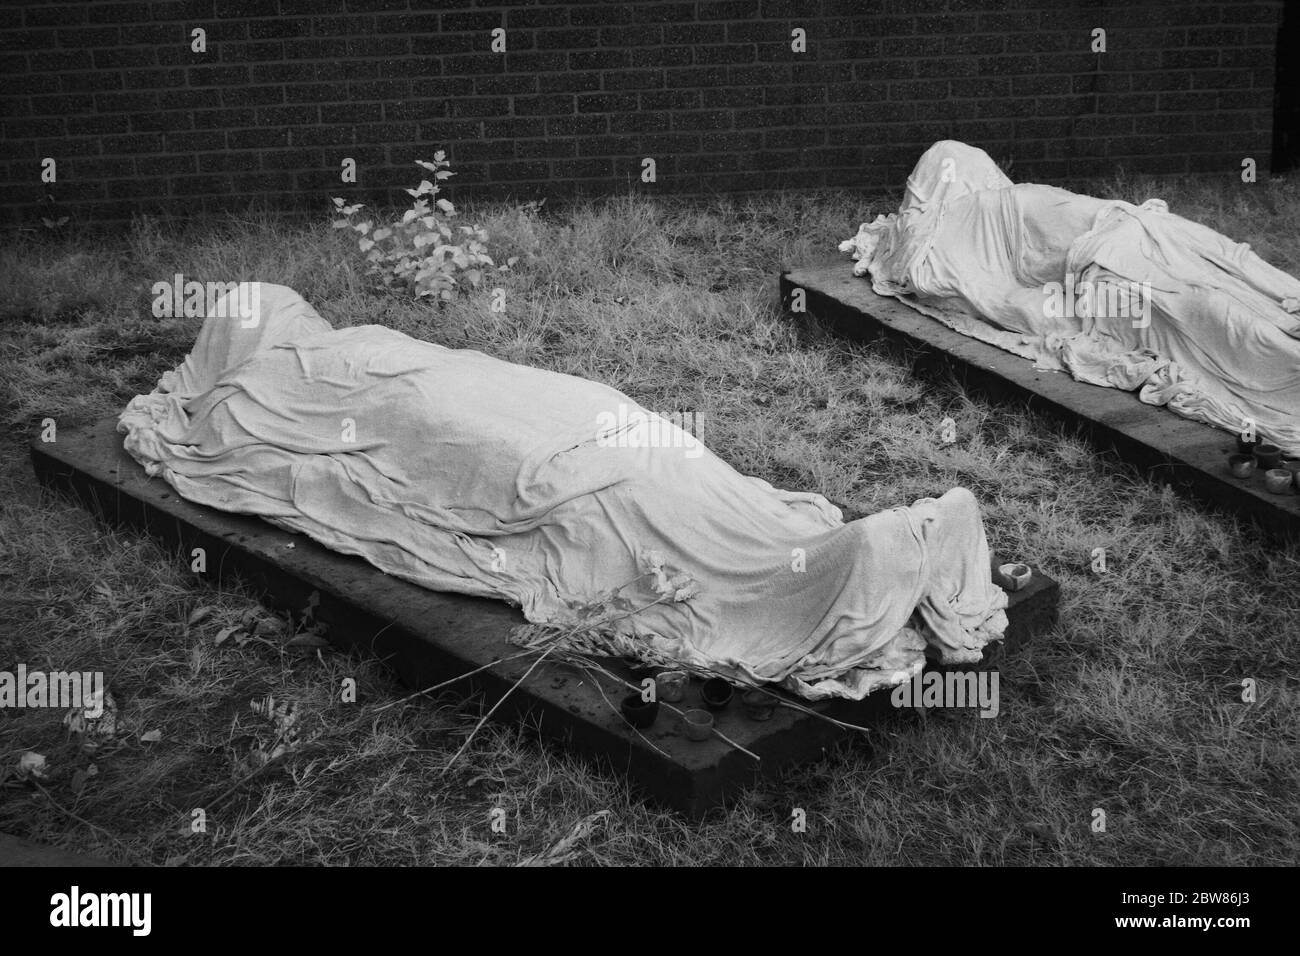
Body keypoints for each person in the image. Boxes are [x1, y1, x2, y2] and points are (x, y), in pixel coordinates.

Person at [119, 283, 1008, 701]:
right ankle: (803, 576)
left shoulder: (356, 336)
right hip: (433, 414)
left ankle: (795, 560)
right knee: (573, 486)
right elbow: (357, 424)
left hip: (556, 411)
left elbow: (456, 368)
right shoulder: (266, 385)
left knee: (650, 465)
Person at [841, 140, 1300, 452]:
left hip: (1128, 234)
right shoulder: (954, 239)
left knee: (1229, 281)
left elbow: (958, 283)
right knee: (1217, 310)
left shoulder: (1007, 204)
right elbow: (977, 290)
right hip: (1107, 269)